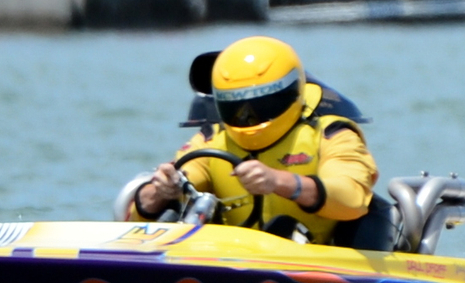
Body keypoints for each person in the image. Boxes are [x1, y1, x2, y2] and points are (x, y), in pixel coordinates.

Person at [132, 37, 379, 246]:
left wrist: (279, 182)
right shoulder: (212, 139)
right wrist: (162, 189)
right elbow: (185, 176)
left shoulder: (331, 133)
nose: (246, 118)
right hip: (226, 262)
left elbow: (352, 198)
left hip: (316, 263)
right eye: (235, 106)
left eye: (259, 104)